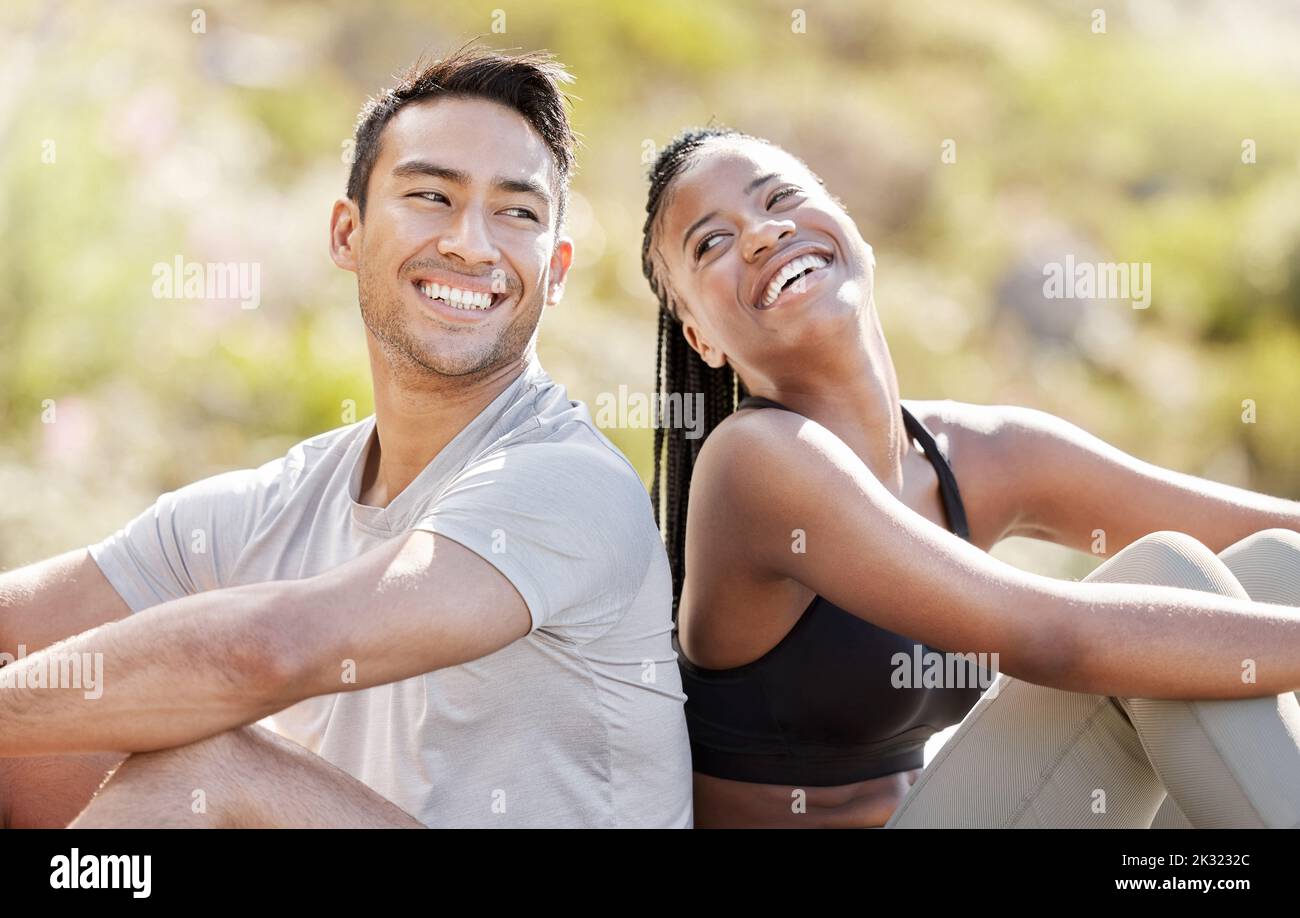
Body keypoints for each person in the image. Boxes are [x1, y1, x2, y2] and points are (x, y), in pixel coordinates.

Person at [0, 46, 693, 829]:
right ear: (345, 232)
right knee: (32, 744)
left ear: (557, 269)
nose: (472, 243)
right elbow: (18, 624)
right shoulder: (290, 496)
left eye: (517, 212)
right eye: (432, 195)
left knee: (208, 763)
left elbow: (264, 652)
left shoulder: (569, 484)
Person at [640, 124, 1300, 828]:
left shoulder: (981, 453)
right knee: (1167, 580)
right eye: (712, 242)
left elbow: (1269, 529)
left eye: (782, 198)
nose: (761, 235)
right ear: (700, 338)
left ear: (852, 232)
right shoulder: (753, 463)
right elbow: (1054, 637)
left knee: (1275, 568)